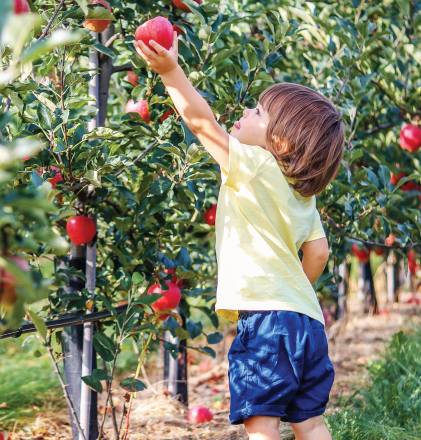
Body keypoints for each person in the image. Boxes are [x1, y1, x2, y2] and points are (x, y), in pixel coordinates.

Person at [135, 34, 344, 440]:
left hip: (267, 321)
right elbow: (318, 252)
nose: (247, 110)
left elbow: (201, 123)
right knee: (310, 421)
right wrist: (295, 291)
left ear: (279, 142)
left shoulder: (255, 165)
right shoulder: (304, 193)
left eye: (258, 111)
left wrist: (170, 72)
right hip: (308, 322)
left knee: (261, 421)